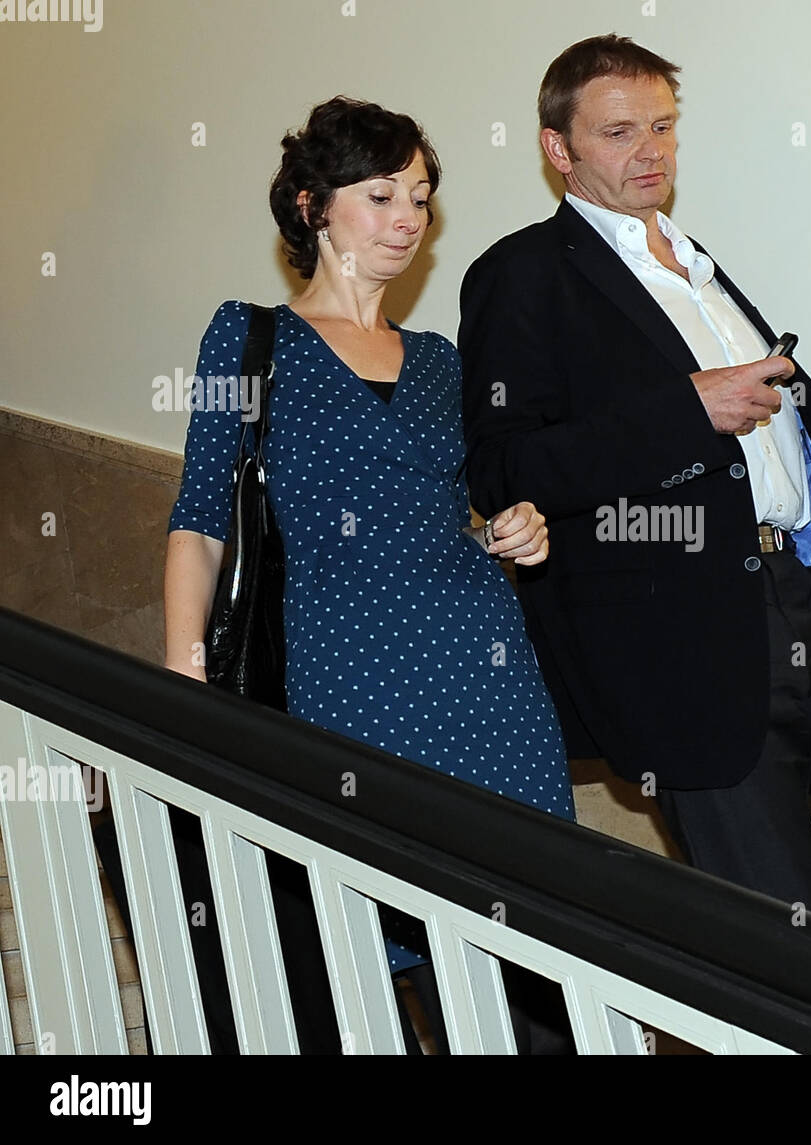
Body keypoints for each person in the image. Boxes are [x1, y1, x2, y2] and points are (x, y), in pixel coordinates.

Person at [458, 36, 811, 973]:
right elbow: (503, 466)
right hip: (677, 646)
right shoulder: (522, 274)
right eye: (618, 132)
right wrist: (690, 408)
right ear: (557, 149)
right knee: (783, 949)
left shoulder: (697, 264)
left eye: (663, 126)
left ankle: (807, 1028)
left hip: (809, 607)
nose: (651, 150)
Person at [161, 96, 575, 1050]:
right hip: (350, 679)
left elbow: (453, 518)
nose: (407, 219)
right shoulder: (249, 338)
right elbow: (199, 515)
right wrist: (183, 677)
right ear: (313, 206)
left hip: (489, 680)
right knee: (370, 958)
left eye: (421, 198)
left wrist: (515, 531)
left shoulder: (439, 360)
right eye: (381, 194)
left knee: (525, 965)